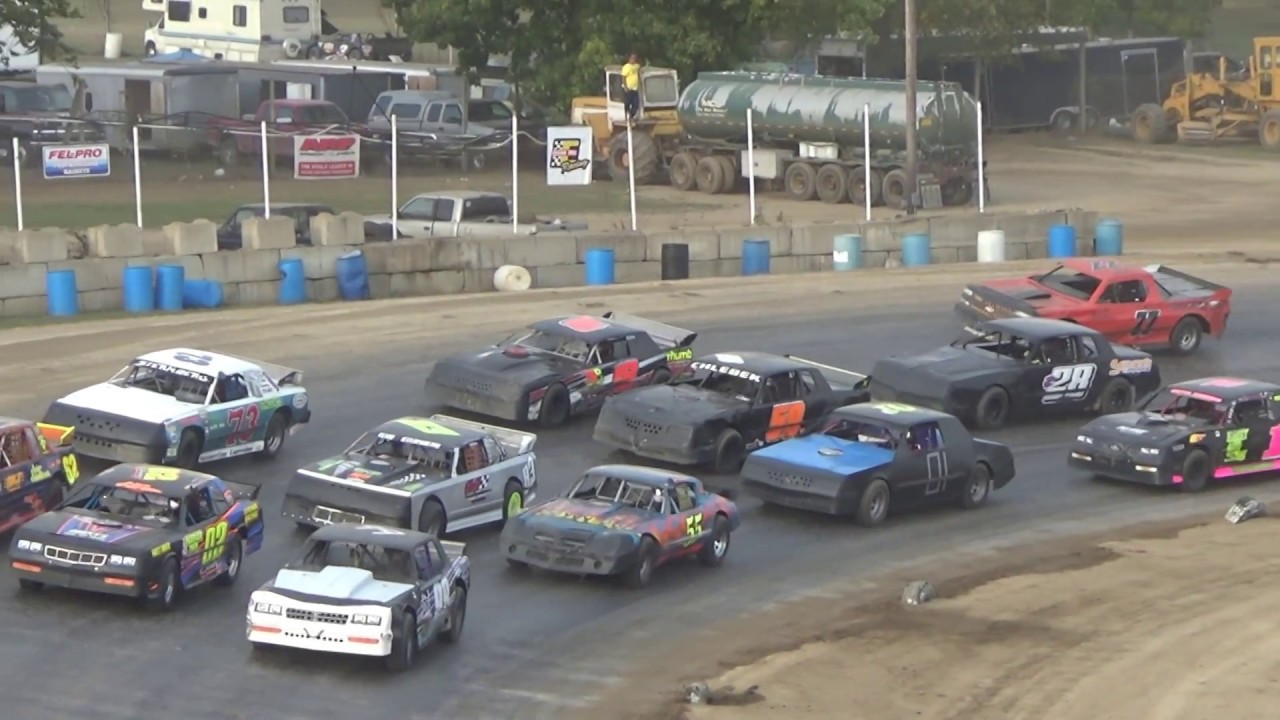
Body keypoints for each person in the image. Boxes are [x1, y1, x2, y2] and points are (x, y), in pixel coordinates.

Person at [621, 54, 641, 123]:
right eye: (632, 58)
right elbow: (623, 77)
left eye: (635, 58)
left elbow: (638, 73)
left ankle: (631, 115)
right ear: (629, 59)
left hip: (635, 89)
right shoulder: (626, 67)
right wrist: (625, 87)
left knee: (636, 104)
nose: (633, 60)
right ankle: (626, 115)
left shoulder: (637, 66)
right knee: (627, 103)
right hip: (628, 88)